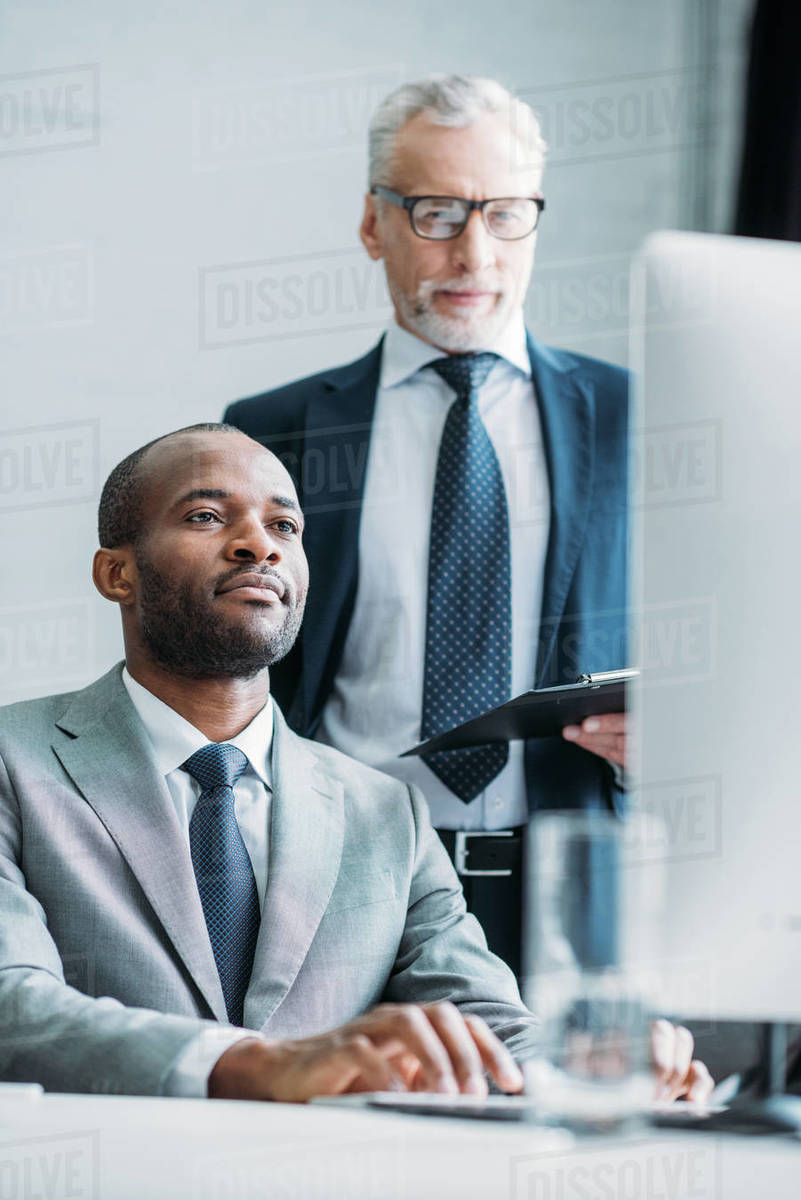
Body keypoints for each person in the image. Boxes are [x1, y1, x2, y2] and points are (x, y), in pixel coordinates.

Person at [0, 425, 710, 1104]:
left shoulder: (384, 809)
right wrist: (257, 1066)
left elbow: (485, 1024)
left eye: (284, 528)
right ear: (117, 573)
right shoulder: (15, 759)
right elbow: (14, 1005)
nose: (258, 546)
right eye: (208, 516)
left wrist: (593, 1060)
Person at [224, 76, 628, 976]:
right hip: (345, 886)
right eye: (436, 212)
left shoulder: (634, 416)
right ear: (373, 223)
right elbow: (234, 669)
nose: (472, 252)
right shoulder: (272, 432)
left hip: (571, 890)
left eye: (506, 212)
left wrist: (677, 740)